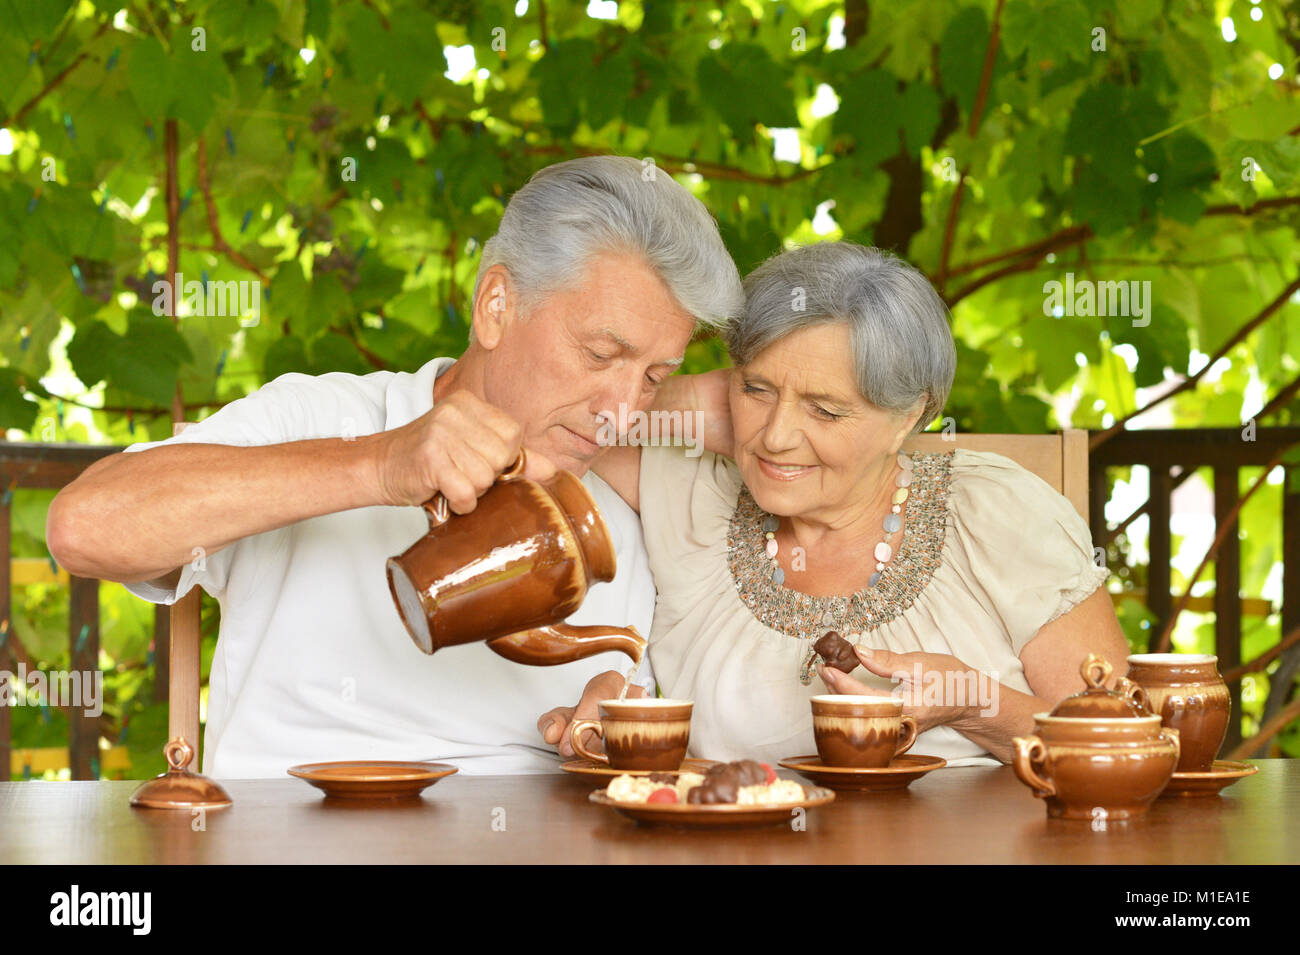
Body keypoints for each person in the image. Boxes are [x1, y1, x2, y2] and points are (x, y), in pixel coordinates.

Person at [45, 155, 744, 777]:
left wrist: (607, 718)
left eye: (654, 377)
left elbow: (627, 711)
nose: (622, 411)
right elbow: (82, 527)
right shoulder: (321, 420)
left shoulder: (613, 526)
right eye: (600, 354)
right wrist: (381, 463)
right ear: (495, 306)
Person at [587, 241, 1128, 767]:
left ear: (909, 418)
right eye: (756, 389)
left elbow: (1120, 746)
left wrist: (974, 704)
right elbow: (545, 423)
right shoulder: (695, 493)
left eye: (824, 410)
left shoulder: (996, 514)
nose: (776, 437)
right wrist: (681, 398)